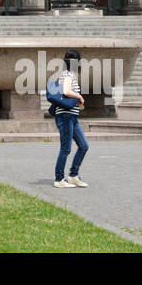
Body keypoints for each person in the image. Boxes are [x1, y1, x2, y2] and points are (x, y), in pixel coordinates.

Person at [52, 49, 89, 188]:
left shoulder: (68, 75)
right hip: (66, 116)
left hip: (72, 116)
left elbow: (67, 93)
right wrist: (79, 96)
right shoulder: (67, 75)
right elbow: (66, 91)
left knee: (84, 146)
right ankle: (59, 179)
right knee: (66, 149)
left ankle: (73, 175)